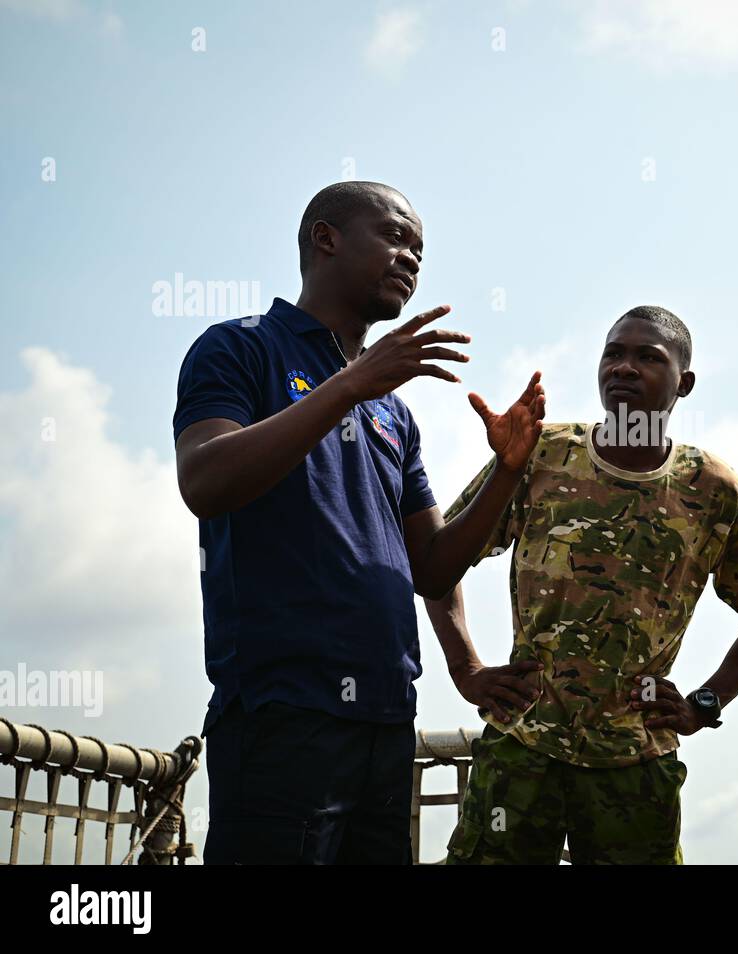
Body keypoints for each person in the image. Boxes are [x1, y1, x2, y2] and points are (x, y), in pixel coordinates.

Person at [173, 180, 545, 864]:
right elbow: (204, 481)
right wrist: (347, 384)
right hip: (280, 714)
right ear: (325, 238)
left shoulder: (393, 412)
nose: (411, 258)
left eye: (421, 252)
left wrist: (508, 471)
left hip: (384, 721)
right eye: (396, 237)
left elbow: (431, 565)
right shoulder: (238, 349)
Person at [430, 305, 738, 864]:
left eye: (648, 357)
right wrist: (468, 670)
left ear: (685, 382)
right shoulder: (538, 454)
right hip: (522, 746)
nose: (624, 367)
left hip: (634, 760)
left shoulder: (713, 489)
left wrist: (705, 701)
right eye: (614, 354)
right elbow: (441, 564)